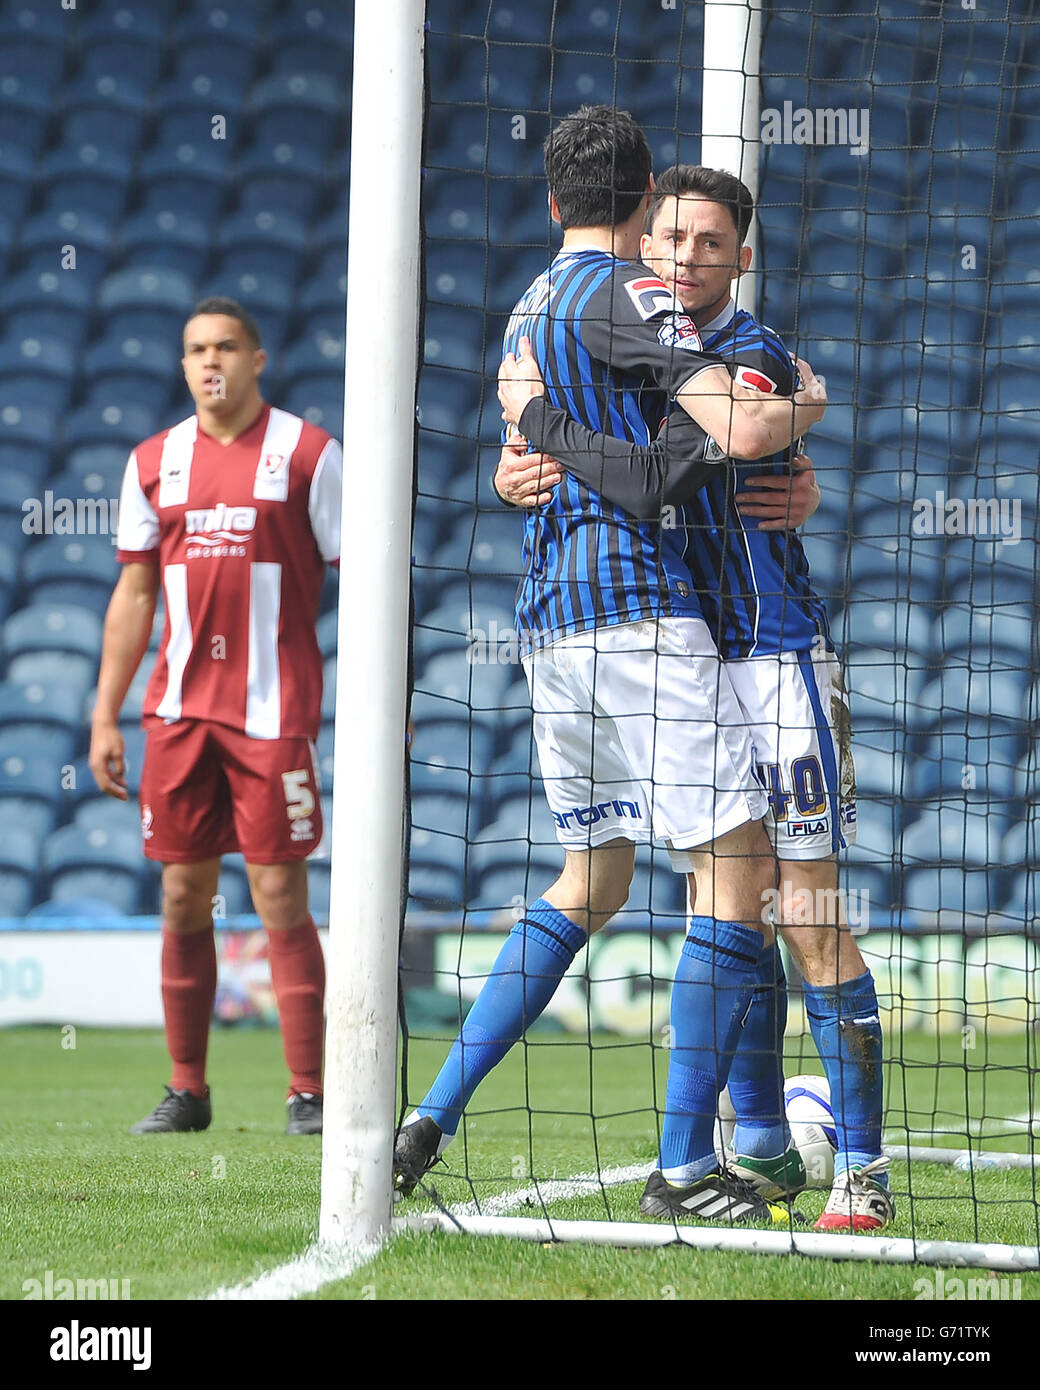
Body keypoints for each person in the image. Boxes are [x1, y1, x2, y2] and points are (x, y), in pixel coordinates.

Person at [395, 107, 827, 1224]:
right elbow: (731, 434)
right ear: (641, 208)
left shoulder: (525, 308)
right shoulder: (627, 292)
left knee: (590, 883)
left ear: (549, 202)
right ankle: (685, 1165)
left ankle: (431, 1112)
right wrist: (802, 408)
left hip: (549, 626)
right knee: (737, 876)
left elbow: (562, 446)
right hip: (642, 616)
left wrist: (526, 434)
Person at [495, 164, 891, 1233]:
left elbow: (743, 430)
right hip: (686, 661)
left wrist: (800, 412)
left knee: (802, 914)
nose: (683, 257)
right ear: (642, 238)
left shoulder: (747, 355)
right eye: (668, 236)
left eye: (709, 242)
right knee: (729, 913)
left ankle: (860, 1169)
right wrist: (512, 457)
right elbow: (553, 449)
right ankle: (753, 1143)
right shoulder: (630, 340)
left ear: (740, 257)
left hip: (774, 661)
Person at [89, 297, 342, 1137]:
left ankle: (308, 1090)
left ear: (257, 358)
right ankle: (187, 1091)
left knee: (278, 893)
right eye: (196, 349)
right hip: (177, 715)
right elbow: (131, 595)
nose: (210, 363)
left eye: (226, 347)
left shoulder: (307, 453)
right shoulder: (153, 461)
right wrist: (104, 715)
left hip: (273, 716)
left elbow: (366, 575)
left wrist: (390, 698)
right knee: (182, 897)